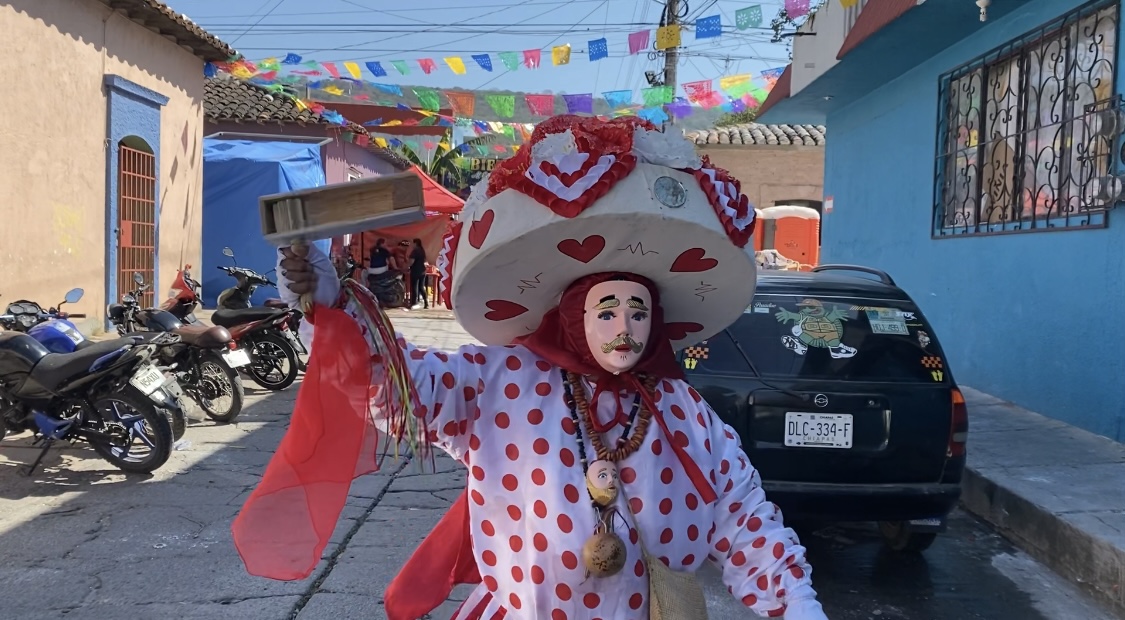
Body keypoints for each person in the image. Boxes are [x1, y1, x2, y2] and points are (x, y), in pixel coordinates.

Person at [233, 115, 829, 620]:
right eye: (606, 307)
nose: (625, 326)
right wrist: (331, 306)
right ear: (572, 313)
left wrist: (797, 601)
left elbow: (747, 518)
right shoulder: (502, 382)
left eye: (639, 309)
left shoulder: (684, 415)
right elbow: (401, 389)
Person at [408, 238, 428, 309]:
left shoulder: (415, 251)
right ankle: (426, 302)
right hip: (422, 270)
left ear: (415, 243)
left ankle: (414, 302)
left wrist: (406, 267)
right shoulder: (422, 250)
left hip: (415, 270)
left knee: (414, 287)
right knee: (421, 287)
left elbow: (411, 262)